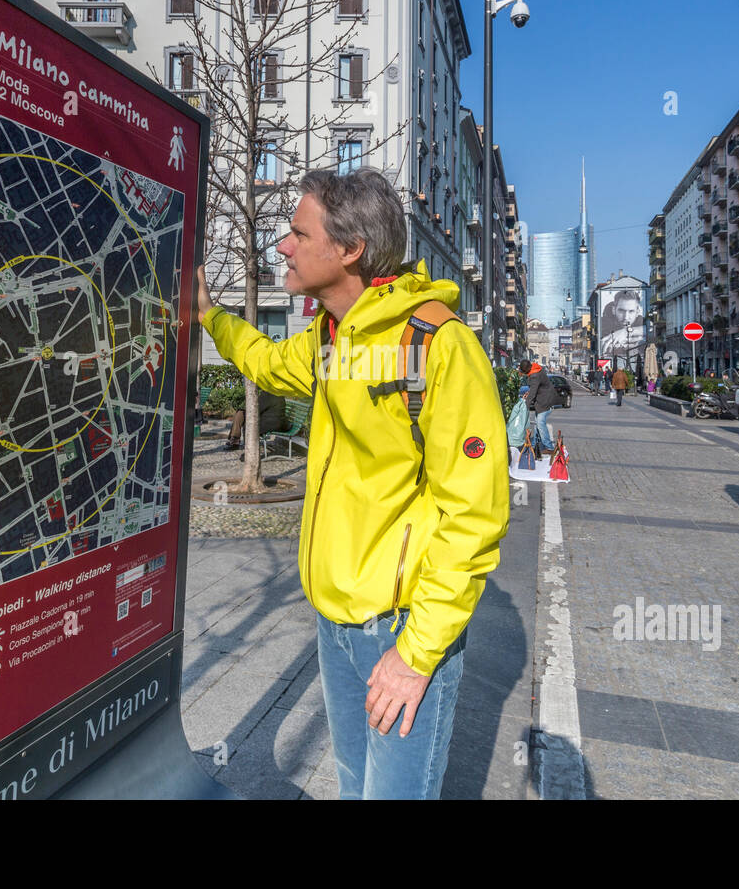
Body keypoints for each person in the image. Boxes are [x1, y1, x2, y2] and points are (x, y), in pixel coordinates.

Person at [196, 167, 508, 799]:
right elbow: (267, 361)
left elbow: (473, 515)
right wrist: (209, 316)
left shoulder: (436, 344)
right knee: (351, 786)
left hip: (398, 630)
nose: (282, 244)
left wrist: (417, 655)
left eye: (296, 232)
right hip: (333, 622)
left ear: (349, 250)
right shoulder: (329, 337)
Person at [223, 386, 286, 452]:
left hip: (272, 422)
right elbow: (259, 407)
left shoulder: (269, 393)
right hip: (267, 418)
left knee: (248, 425)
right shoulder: (270, 392)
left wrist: (248, 410)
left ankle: (250, 451)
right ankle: (235, 440)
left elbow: (257, 409)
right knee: (240, 413)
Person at [520, 359, 556, 452]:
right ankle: (535, 443)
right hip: (544, 398)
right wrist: (529, 393)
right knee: (538, 423)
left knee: (540, 423)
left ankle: (549, 447)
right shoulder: (536, 369)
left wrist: (526, 406)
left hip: (544, 400)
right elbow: (535, 388)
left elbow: (533, 392)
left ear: (527, 370)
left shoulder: (534, 375)